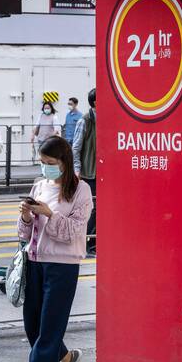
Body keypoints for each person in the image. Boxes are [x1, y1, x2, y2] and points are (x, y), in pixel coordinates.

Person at [17, 135, 92, 362]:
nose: (45, 167)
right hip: (35, 260)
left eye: (50, 162)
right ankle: (67, 357)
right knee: (32, 323)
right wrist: (26, 216)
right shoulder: (39, 185)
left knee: (51, 322)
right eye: (42, 162)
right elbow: (25, 233)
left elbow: (72, 232)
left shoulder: (80, 190)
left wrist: (50, 213)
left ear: (63, 162)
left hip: (63, 265)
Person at [72, 88, 96, 255]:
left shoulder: (108, 118)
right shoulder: (85, 121)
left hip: (102, 172)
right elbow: (76, 147)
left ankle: (92, 242)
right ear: (95, 102)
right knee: (91, 209)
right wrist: (77, 169)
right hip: (88, 173)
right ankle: (84, 240)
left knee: (100, 209)